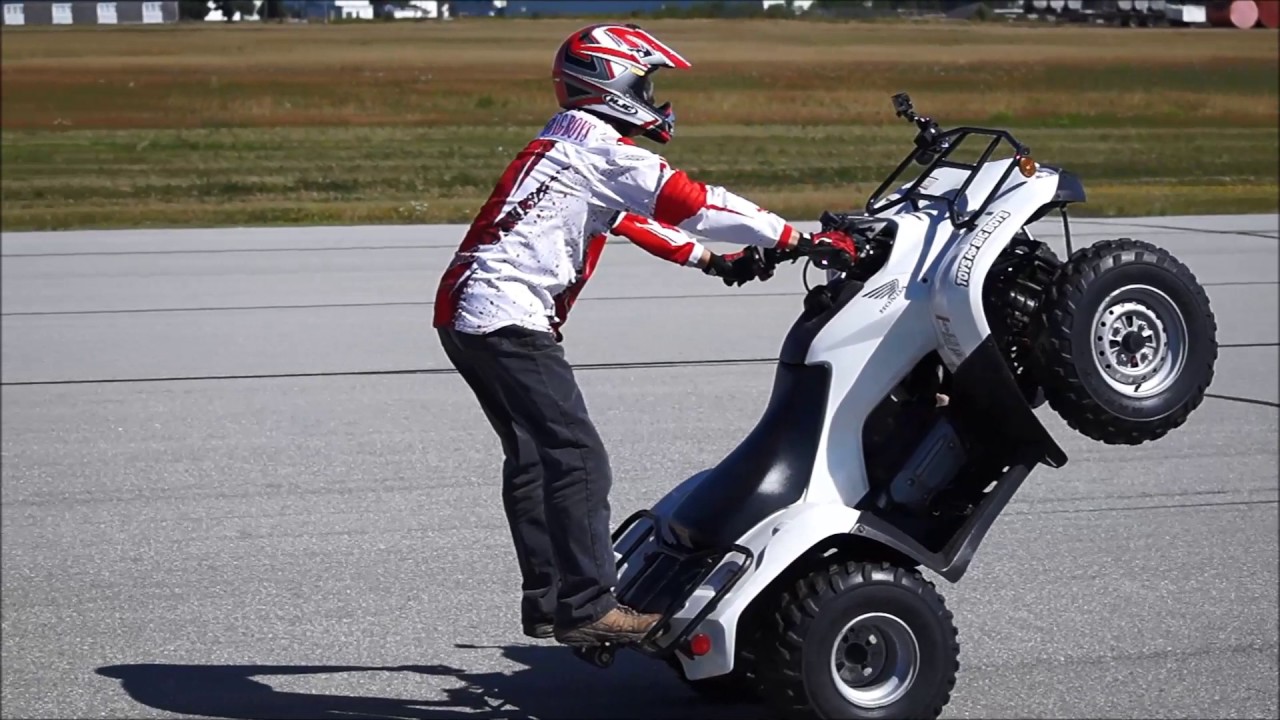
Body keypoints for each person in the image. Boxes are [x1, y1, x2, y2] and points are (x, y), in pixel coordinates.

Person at [433, 22, 858, 648]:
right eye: (645, 82)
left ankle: (550, 600)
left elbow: (634, 220)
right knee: (577, 456)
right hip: (505, 316)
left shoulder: (571, 142)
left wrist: (712, 262)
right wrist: (796, 237)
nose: (655, 99)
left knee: (533, 456)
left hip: (466, 313)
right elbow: (694, 204)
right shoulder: (604, 149)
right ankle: (587, 607)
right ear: (612, 82)